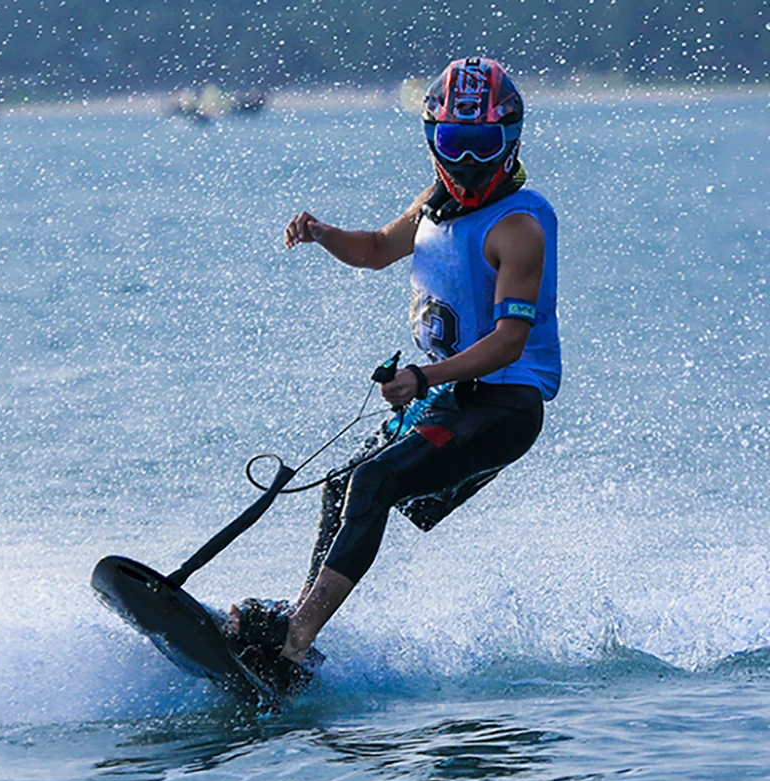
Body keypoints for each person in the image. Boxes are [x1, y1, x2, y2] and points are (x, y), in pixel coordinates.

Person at [228, 56, 562, 695]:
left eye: (482, 144)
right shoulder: (436, 205)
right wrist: (323, 233)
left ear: (510, 141)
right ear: (432, 138)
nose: (467, 160)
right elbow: (378, 250)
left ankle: (294, 641)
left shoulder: (518, 226)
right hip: (448, 400)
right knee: (342, 485)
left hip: (502, 409)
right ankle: (301, 632)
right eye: (453, 142)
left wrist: (423, 377)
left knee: (374, 480)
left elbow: (509, 343)